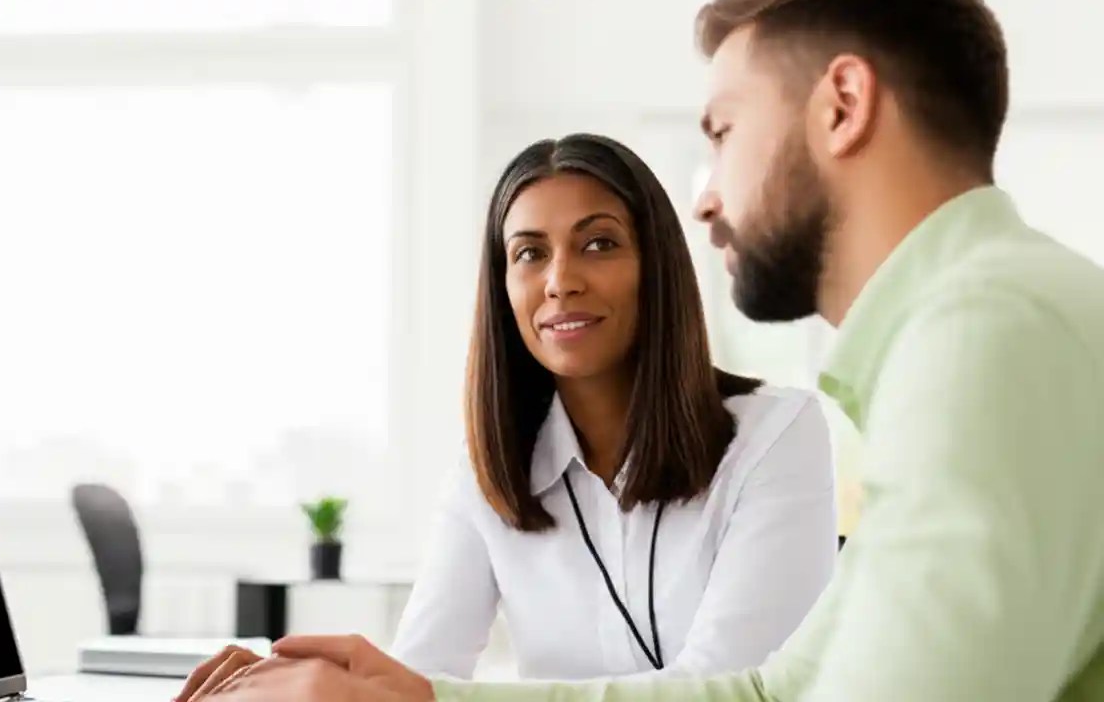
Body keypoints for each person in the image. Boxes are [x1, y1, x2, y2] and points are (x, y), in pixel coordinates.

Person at [193, 0, 1104, 700]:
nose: (706, 197)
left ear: (843, 105)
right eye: (528, 254)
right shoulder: (979, 327)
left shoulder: (985, 336)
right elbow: (769, 692)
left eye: (723, 131)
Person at [175, 134, 838, 700]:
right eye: (528, 253)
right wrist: (302, 681)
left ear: (655, 268)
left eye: (599, 244)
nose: (559, 280)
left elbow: (733, 689)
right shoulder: (488, 471)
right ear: (503, 286)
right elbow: (422, 672)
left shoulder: (775, 436)